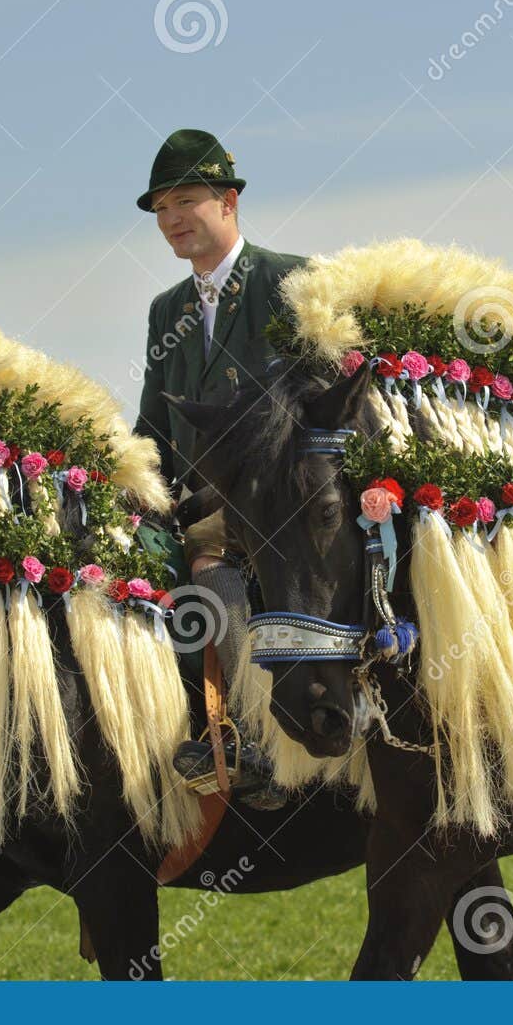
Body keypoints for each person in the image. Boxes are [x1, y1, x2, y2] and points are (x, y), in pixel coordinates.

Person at [132, 128, 307, 810]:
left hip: (272, 496)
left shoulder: (287, 280)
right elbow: (153, 423)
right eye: (161, 209)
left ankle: (248, 739)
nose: (172, 219)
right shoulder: (164, 311)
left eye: (186, 201)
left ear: (229, 201)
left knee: (207, 554)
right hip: (185, 497)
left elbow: (314, 401)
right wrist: (126, 482)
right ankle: (154, 733)